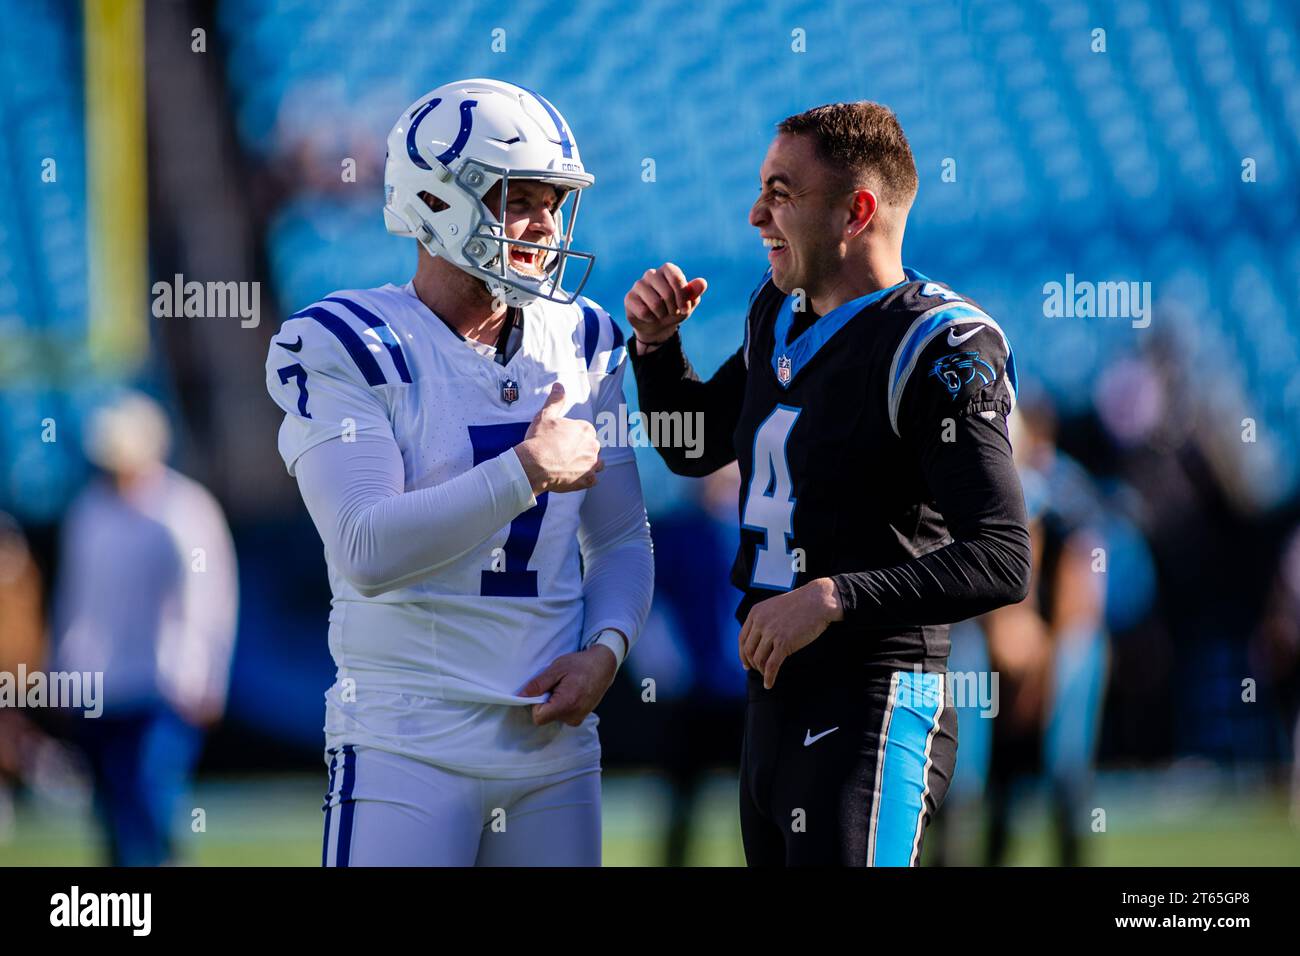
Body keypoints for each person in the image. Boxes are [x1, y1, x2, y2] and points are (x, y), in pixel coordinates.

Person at [627, 101, 1031, 866]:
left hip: (874, 698)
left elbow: (1002, 557)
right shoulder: (780, 308)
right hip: (772, 697)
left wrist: (834, 596)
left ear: (857, 212)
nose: (756, 215)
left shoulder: (940, 345)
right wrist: (657, 350)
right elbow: (697, 446)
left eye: (781, 193)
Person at [264, 78, 653, 866]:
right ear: (437, 200)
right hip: (405, 743)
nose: (545, 225)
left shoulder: (583, 337)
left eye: (554, 202)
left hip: (552, 749)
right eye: (519, 199)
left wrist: (607, 651)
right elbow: (366, 548)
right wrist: (527, 469)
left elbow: (621, 538)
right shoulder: (347, 342)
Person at [53, 392, 238, 865]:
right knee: (112, 811)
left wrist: (207, 674)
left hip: (164, 685)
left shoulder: (185, 509)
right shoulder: (89, 511)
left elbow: (210, 600)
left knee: (152, 800)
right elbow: (76, 599)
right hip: (102, 685)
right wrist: (64, 670)